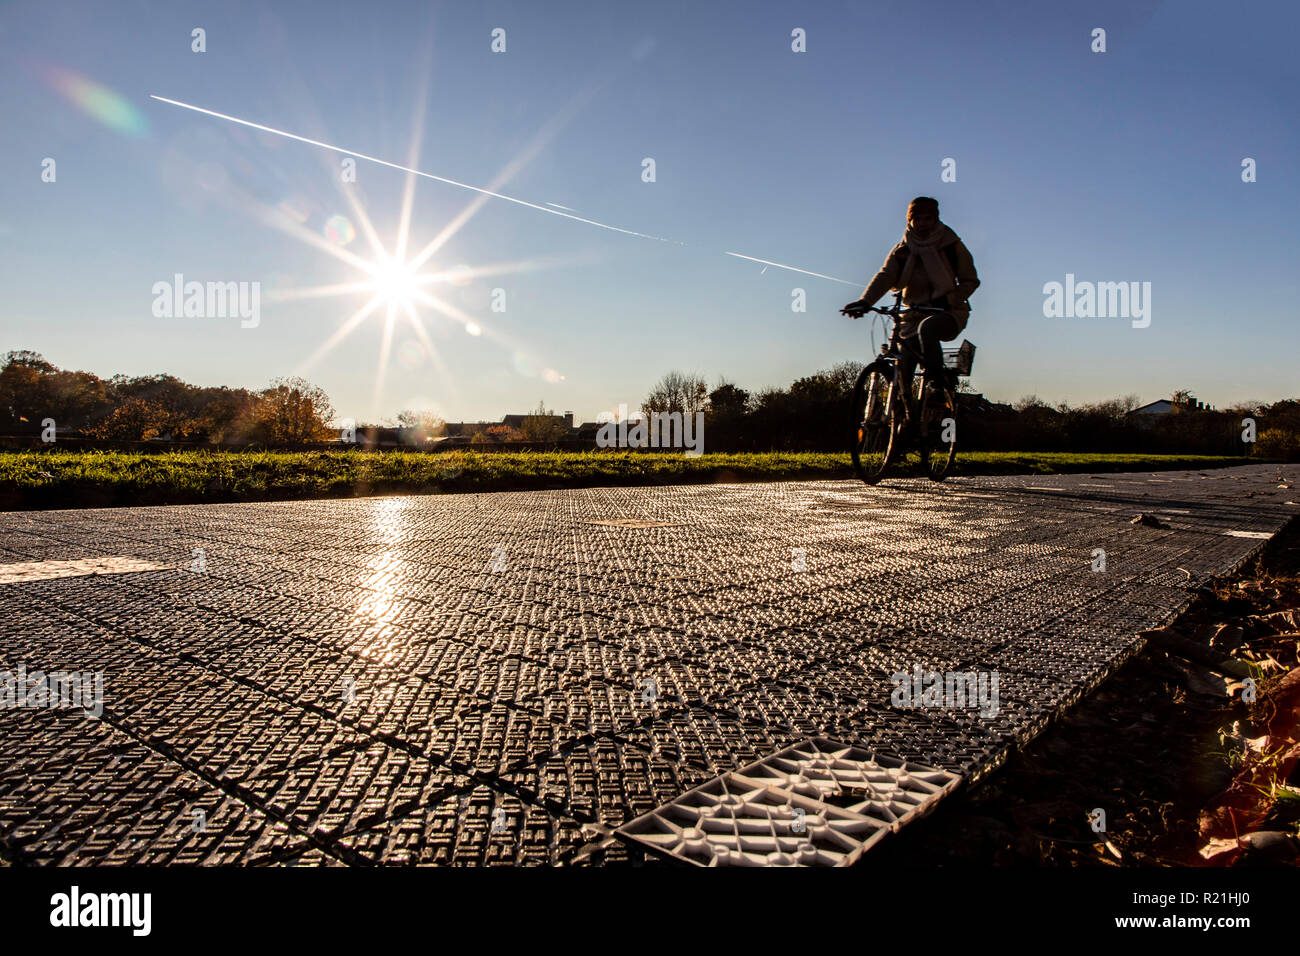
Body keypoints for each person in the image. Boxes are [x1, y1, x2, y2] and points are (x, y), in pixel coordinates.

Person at [840, 197, 979, 418]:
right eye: (918, 219)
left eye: (929, 219)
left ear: (936, 220)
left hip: (948, 313)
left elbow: (971, 280)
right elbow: (885, 276)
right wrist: (865, 302)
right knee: (901, 375)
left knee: (928, 329)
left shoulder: (951, 245)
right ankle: (900, 431)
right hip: (911, 316)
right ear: (910, 220)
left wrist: (950, 299)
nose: (923, 224)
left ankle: (936, 386)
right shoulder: (903, 250)